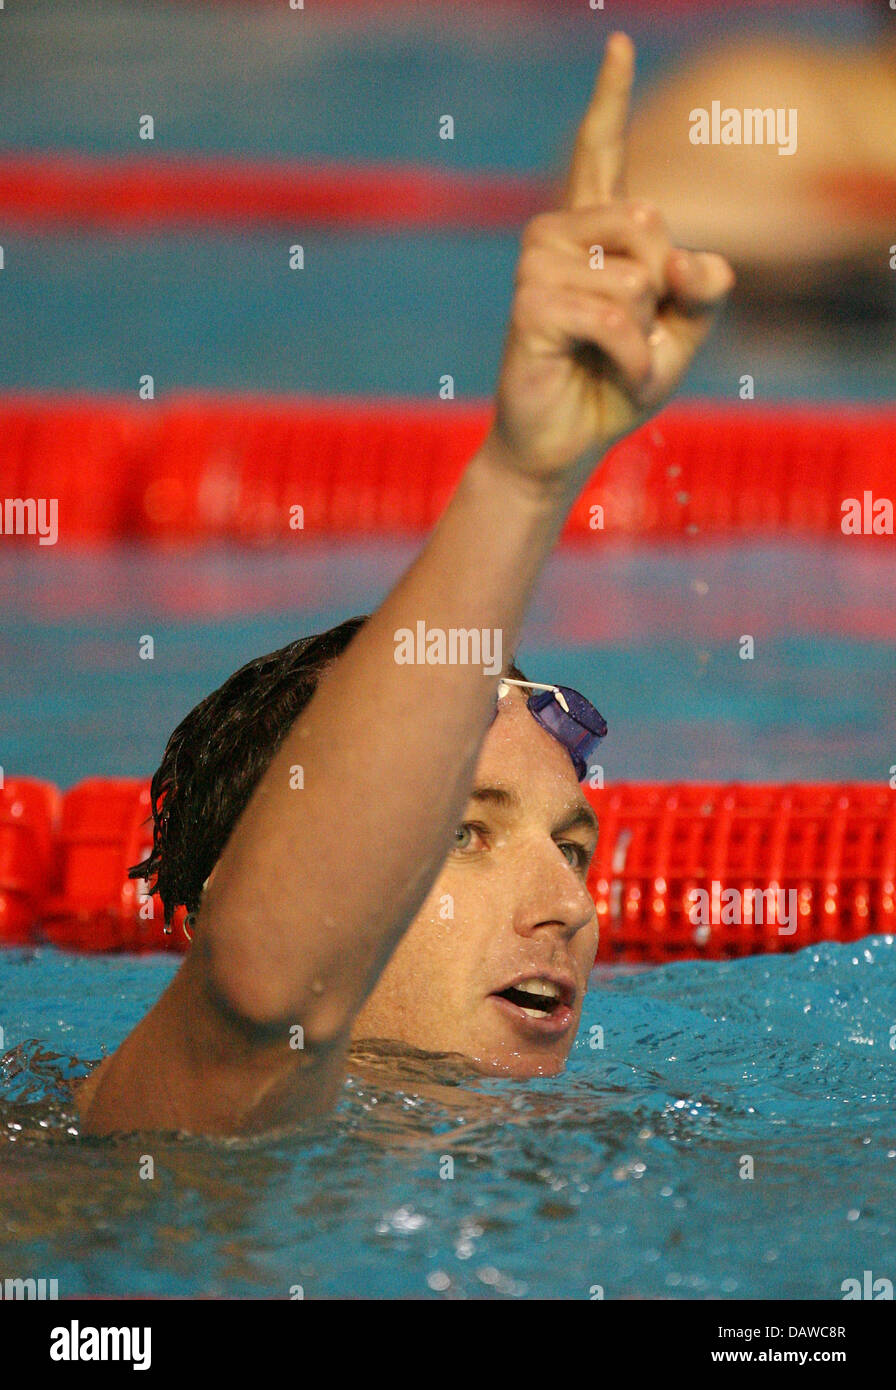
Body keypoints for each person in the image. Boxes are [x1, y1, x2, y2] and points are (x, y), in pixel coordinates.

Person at [75, 33, 734, 1138]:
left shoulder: (608, 1143)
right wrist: (528, 477)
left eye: (572, 848)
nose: (571, 905)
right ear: (232, 886)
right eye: (461, 834)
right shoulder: (179, 1125)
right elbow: (266, 989)